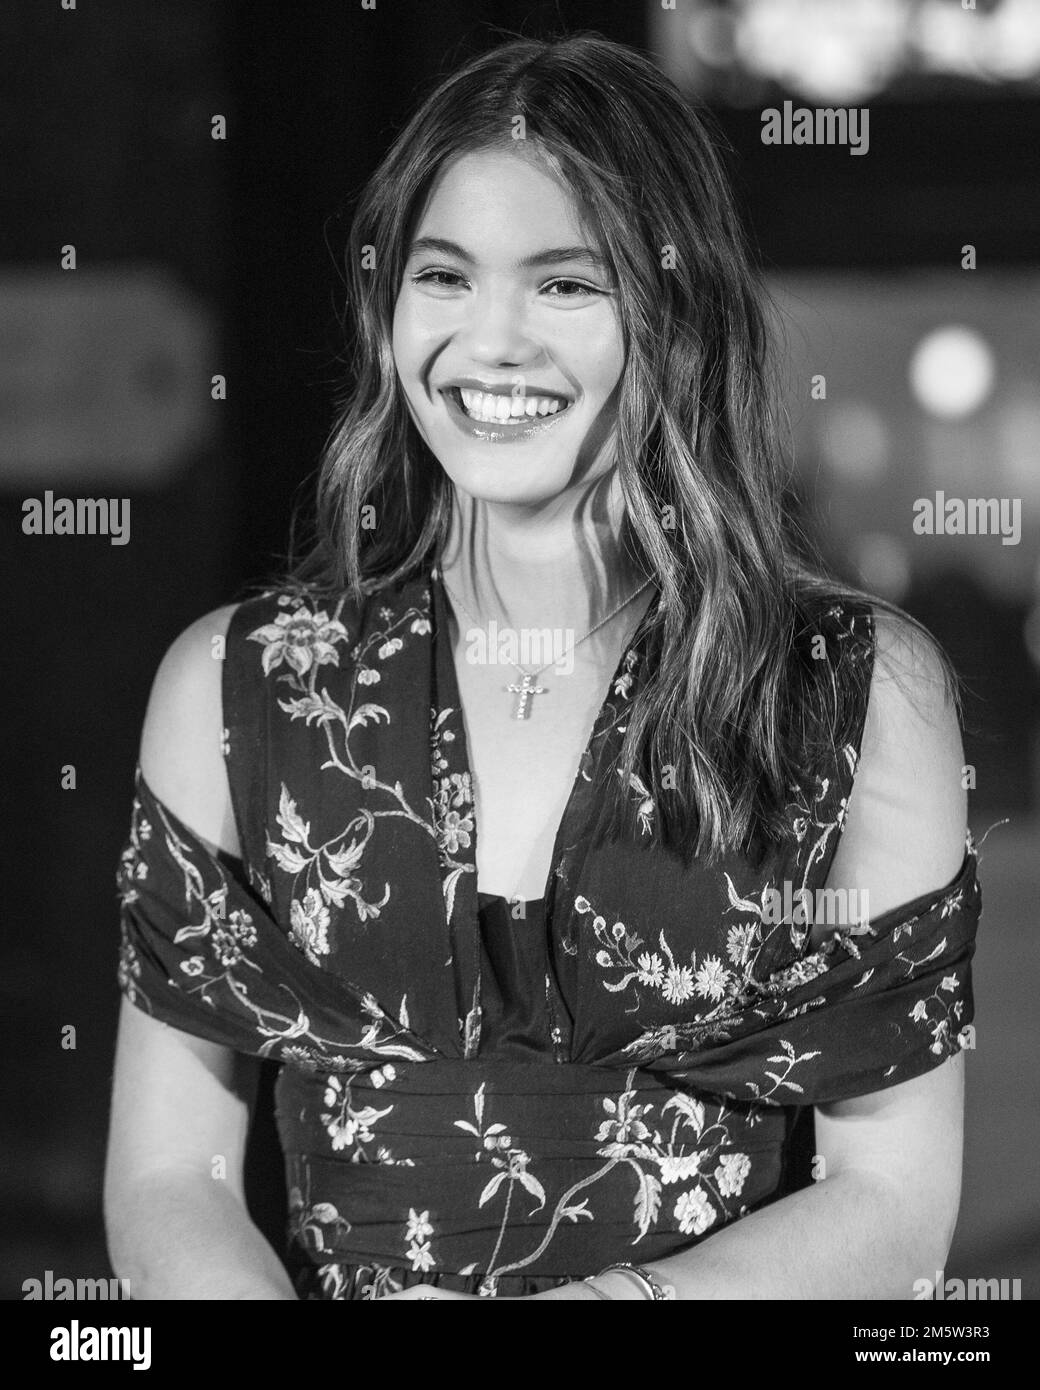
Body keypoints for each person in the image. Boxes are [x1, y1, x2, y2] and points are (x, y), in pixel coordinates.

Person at [103, 32, 980, 1301]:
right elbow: (166, 1179)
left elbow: (892, 1204)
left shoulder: (850, 691)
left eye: (566, 285)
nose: (491, 342)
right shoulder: (235, 689)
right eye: (444, 277)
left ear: (672, 313)